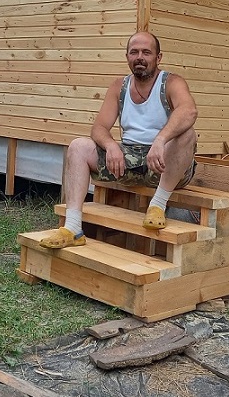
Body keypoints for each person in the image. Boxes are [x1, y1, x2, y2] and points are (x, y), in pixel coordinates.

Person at [40, 30, 198, 249]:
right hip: (128, 162)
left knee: (188, 134)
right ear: (127, 57)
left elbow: (189, 111)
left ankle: (158, 205)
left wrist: (160, 140)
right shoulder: (119, 87)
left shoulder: (171, 82)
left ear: (158, 58)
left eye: (146, 52)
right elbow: (99, 127)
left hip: (164, 165)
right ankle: (73, 228)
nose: (139, 57)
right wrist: (111, 145)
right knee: (78, 146)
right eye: (134, 52)